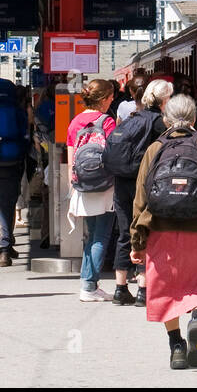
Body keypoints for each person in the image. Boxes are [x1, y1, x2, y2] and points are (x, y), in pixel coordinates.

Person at [130, 94, 197, 370]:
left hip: (161, 229)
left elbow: (140, 198)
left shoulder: (155, 148)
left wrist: (137, 240)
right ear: (194, 119)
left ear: (165, 119)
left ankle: (176, 346)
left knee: (165, 288)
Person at [109, 77, 172, 306]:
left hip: (121, 181)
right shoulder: (159, 123)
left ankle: (120, 288)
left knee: (125, 232)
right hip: (143, 183)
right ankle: (144, 290)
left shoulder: (132, 118)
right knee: (145, 230)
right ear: (165, 99)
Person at [67, 78, 117, 302]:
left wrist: (73, 182)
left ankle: (88, 282)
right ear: (104, 100)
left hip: (83, 184)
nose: (113, 100)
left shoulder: (75, 121)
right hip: (104, 184)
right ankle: (89, 285)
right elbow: (113, 154)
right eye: (111, 96)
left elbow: (71, 156)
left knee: (91, 235)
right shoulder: (107, 122)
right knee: (101, 235)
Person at [0, 72, 30, 266]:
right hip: (11, 163)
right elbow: (25, 135)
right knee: (6, 206)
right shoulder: (16, 109)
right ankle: (4, 250)